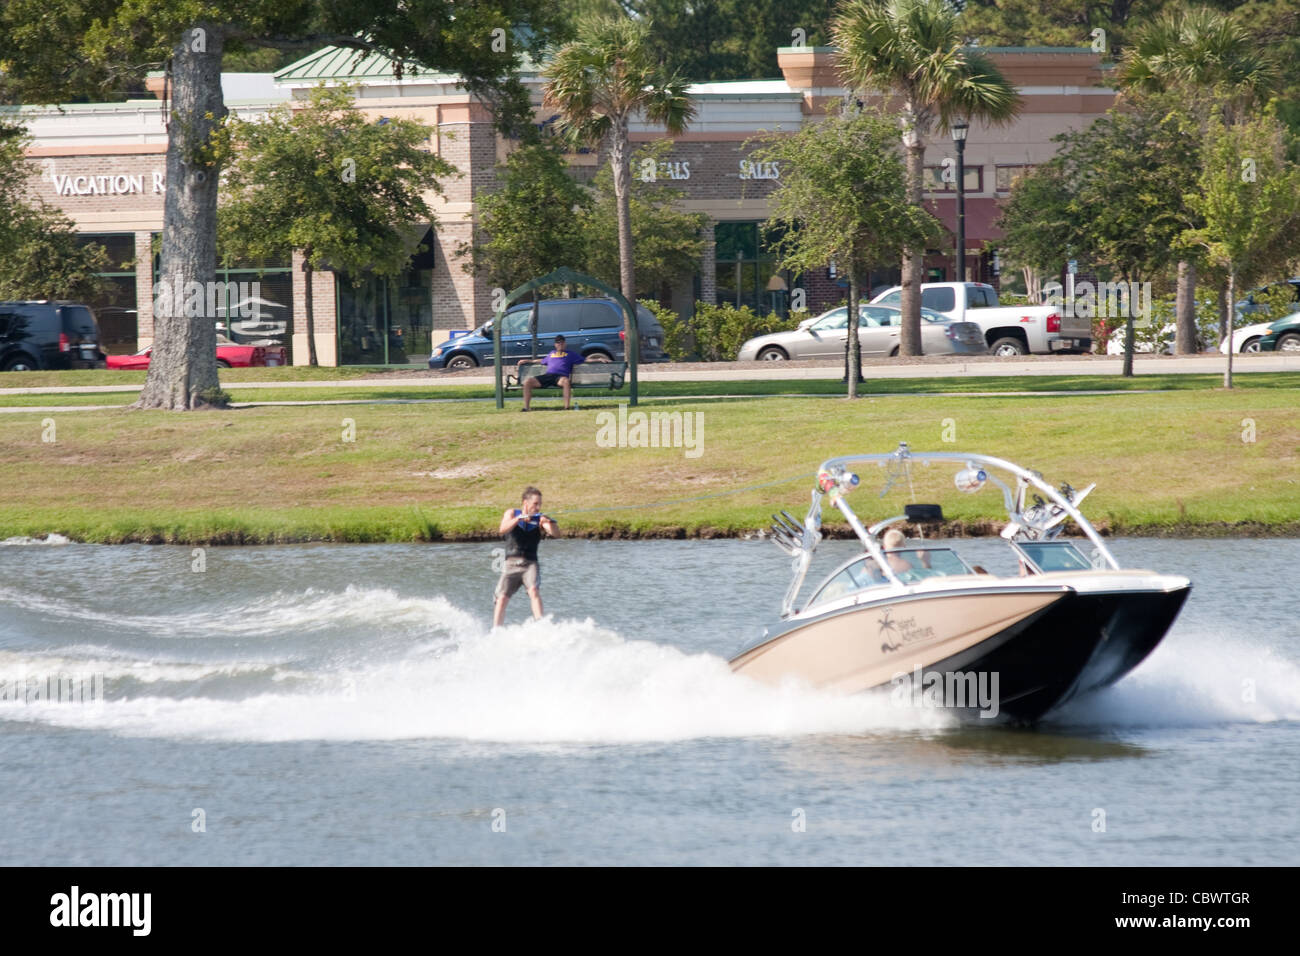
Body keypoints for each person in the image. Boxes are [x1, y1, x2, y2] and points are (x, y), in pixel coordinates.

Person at [493, 486, 558, 627]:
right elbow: (502, 529)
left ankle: (541, 625)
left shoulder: (539, 518)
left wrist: (549, 522)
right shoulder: (511, 513)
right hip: (511, 563)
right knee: (502, 598)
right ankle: (496, 631)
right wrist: (519, 519)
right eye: (535, 504)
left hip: (530, 564)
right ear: (525, 503)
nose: (538, 507)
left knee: (534, 590)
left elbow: (555, 534)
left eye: (540, 504)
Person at [520, 335, 585, 411]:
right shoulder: (551, 353)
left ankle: (566, 407)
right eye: (558, 343)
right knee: (528, 382)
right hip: (548, 376)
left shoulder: (571, 354)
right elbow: (542, 361)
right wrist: (528, 361)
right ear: (555, 345)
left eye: (562, 342)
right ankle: (526, 407)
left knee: (566, 382)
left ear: (565, 344)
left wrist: (599, 358)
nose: (560, 344)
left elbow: (585, 360)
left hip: (560, 377)